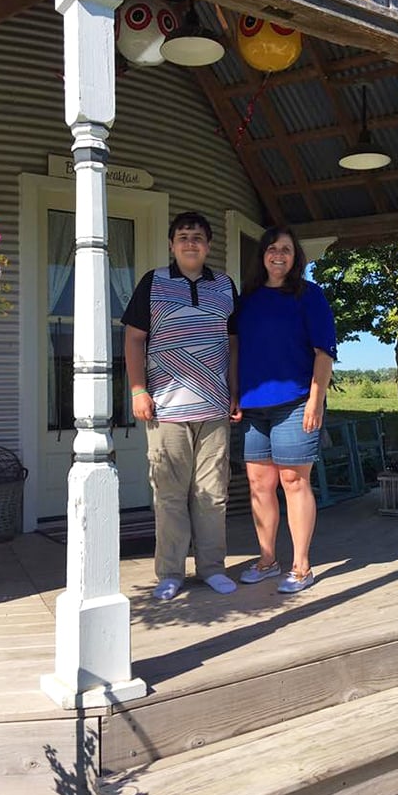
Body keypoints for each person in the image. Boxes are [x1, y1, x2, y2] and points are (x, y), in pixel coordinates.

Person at [122, 211, 240, 601]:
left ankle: (211, 568)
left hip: (214, 408)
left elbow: (233, 343)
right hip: (166, 409)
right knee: (169, 495)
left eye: (198, 237)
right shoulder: (153, 282)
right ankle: (170, 572)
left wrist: (234, 391)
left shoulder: (224, 285)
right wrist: (139, 390)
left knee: (213, 494)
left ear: (208, 246)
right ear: (172, 245)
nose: (191, 243)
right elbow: (135, 338)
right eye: (183, 236)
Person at [236, 226, 336, 593]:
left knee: (294, 482)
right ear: (262, 254)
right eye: (272, 249)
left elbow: (324, 352)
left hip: (296, 403)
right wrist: (235, 394)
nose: (278, 255)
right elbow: (236, 350)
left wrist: (315, 400)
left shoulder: (309, 296)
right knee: (260, 485)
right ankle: (267, 560)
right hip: (253, 408)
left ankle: (301, 567)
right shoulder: (247, 299)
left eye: (287, 250)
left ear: (296, 258)